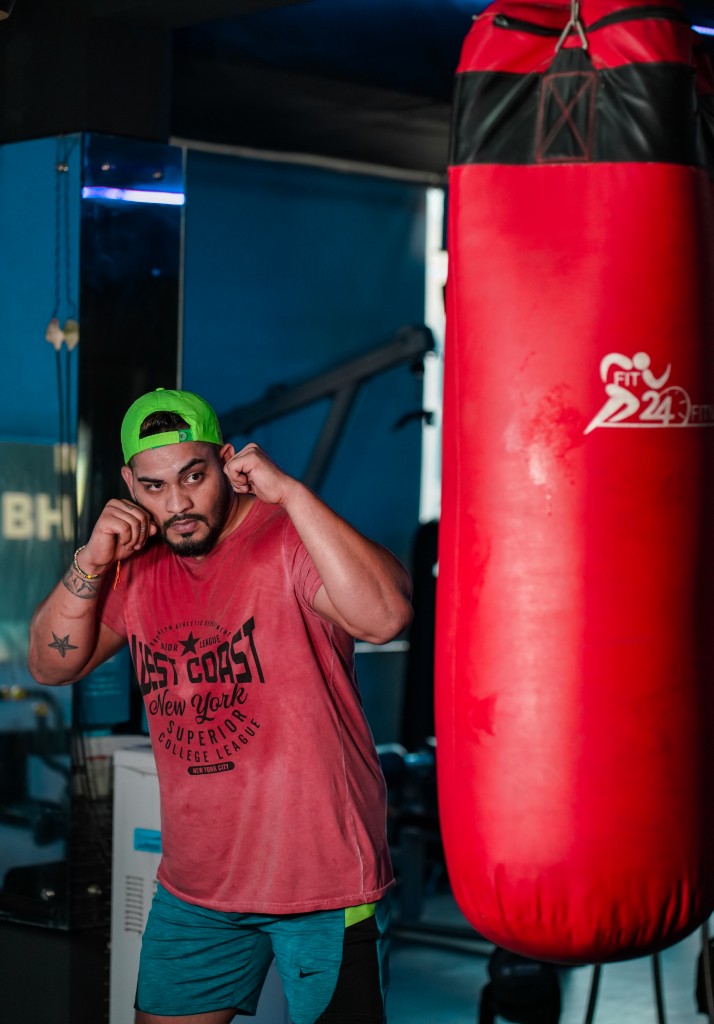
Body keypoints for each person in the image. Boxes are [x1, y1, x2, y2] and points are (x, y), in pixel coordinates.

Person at [28, 387, 413, 1024]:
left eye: (194, 477)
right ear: (129, 482)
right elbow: (50, 663)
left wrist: (288, 494)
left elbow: (386, 618)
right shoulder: (138, 565)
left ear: (227, 461)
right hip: (198, 889)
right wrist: (92, 559)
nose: (177, 504)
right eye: (153, 487)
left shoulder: (286, 539)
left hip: (322, 880)